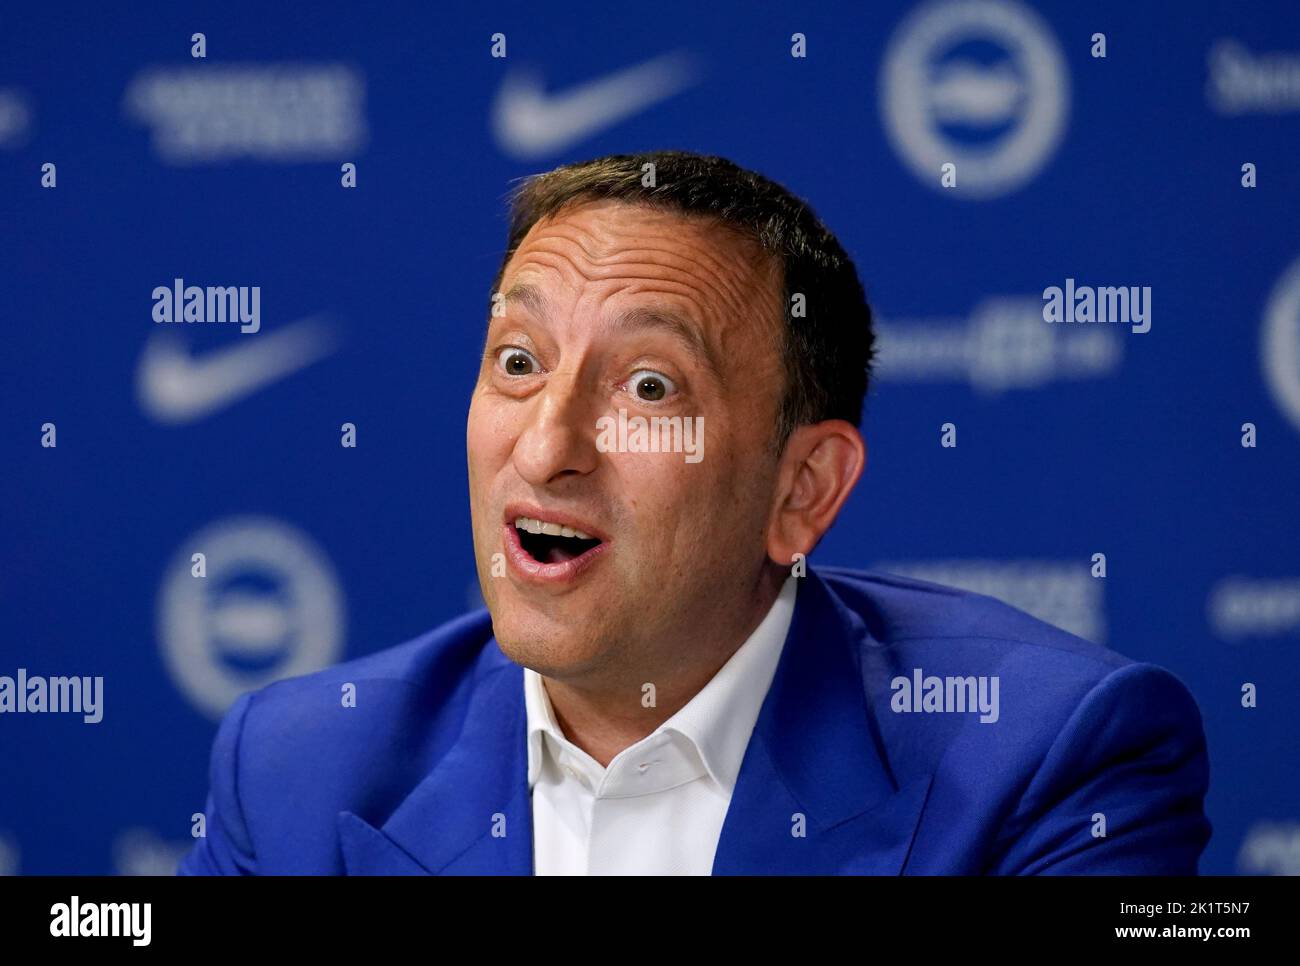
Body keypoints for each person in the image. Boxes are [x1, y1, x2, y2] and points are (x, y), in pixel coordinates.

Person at [178, 150, 1211, 875]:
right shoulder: (297, 768)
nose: (545, 448)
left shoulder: (1047, 759)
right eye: (519, 362)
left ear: (800, 491)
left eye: (649, 390)